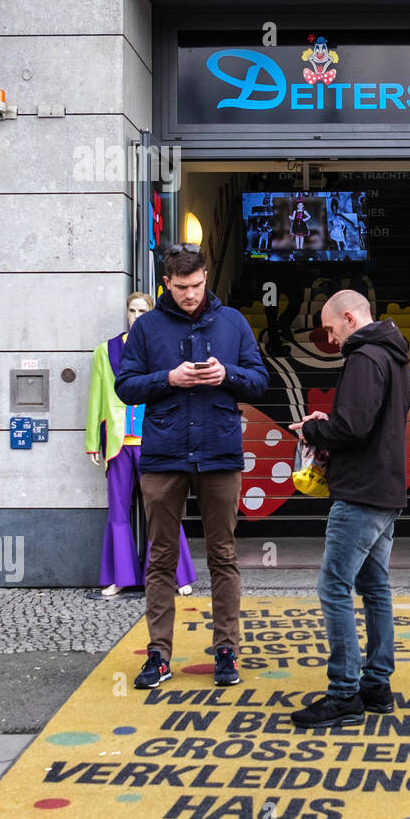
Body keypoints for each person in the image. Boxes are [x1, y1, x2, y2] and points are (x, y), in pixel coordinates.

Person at [115, 246, 268, 691]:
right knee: (160, 558)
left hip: (219, 452)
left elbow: (260, 380)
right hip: (164, 455)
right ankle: (158, 655)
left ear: (206, 277)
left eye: (197, 285)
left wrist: (228, 375)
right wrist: (169, 379)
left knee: (223, 555)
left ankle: (226, 651)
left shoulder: (233, 322)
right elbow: (125, 386)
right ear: (167, 282)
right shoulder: (146, 327)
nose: (189, 294)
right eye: (181, 288)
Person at [288, 290, 410, 728]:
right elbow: (371, 421)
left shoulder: (363, 357)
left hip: (359, 492)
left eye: (329, 328)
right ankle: (376, 684)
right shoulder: (394, 354)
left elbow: (353, 427)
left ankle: (344, 694)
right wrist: (332, 423)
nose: (329, 338)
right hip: (386, 488)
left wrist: (317, 429)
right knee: (375, 586)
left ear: (348, 318)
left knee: (333, 586)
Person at [85, 291, 195, 597]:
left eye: (143, 311)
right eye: (132, 310)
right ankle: (121, 575)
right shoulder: (104, 352)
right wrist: (92, 441)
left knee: (163, 510)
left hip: (155, 439)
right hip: (118, 442)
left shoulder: (163, 349)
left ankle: (175, 574)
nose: (136, 316)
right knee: (118, 512)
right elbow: (95, 399)